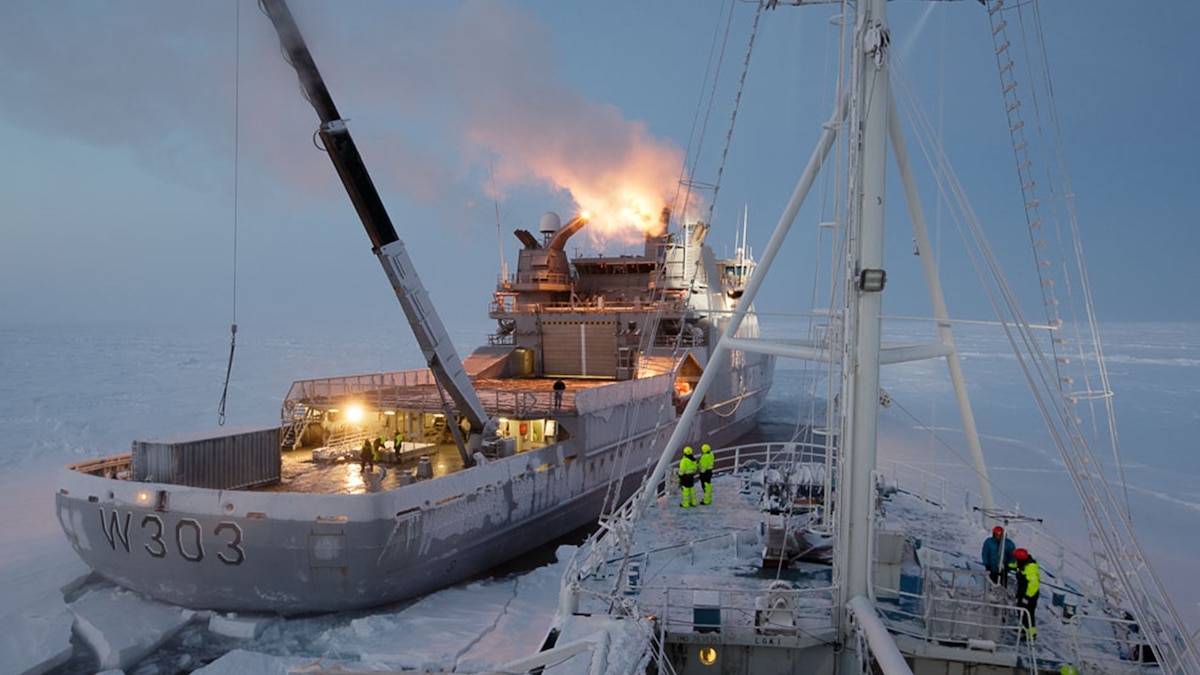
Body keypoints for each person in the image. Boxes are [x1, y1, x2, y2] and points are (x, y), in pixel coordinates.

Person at [1010, 547, 1040, 640]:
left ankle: (1031, 634)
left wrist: (1027, 596)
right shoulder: (1022, 564)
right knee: (1021, 611)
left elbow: (1034, 584)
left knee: (1028, 613)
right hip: (1022, 593)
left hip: (1030, 595)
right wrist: (1008, 566)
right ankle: (1024, 629)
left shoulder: (1031, 568)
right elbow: (1016, 566)